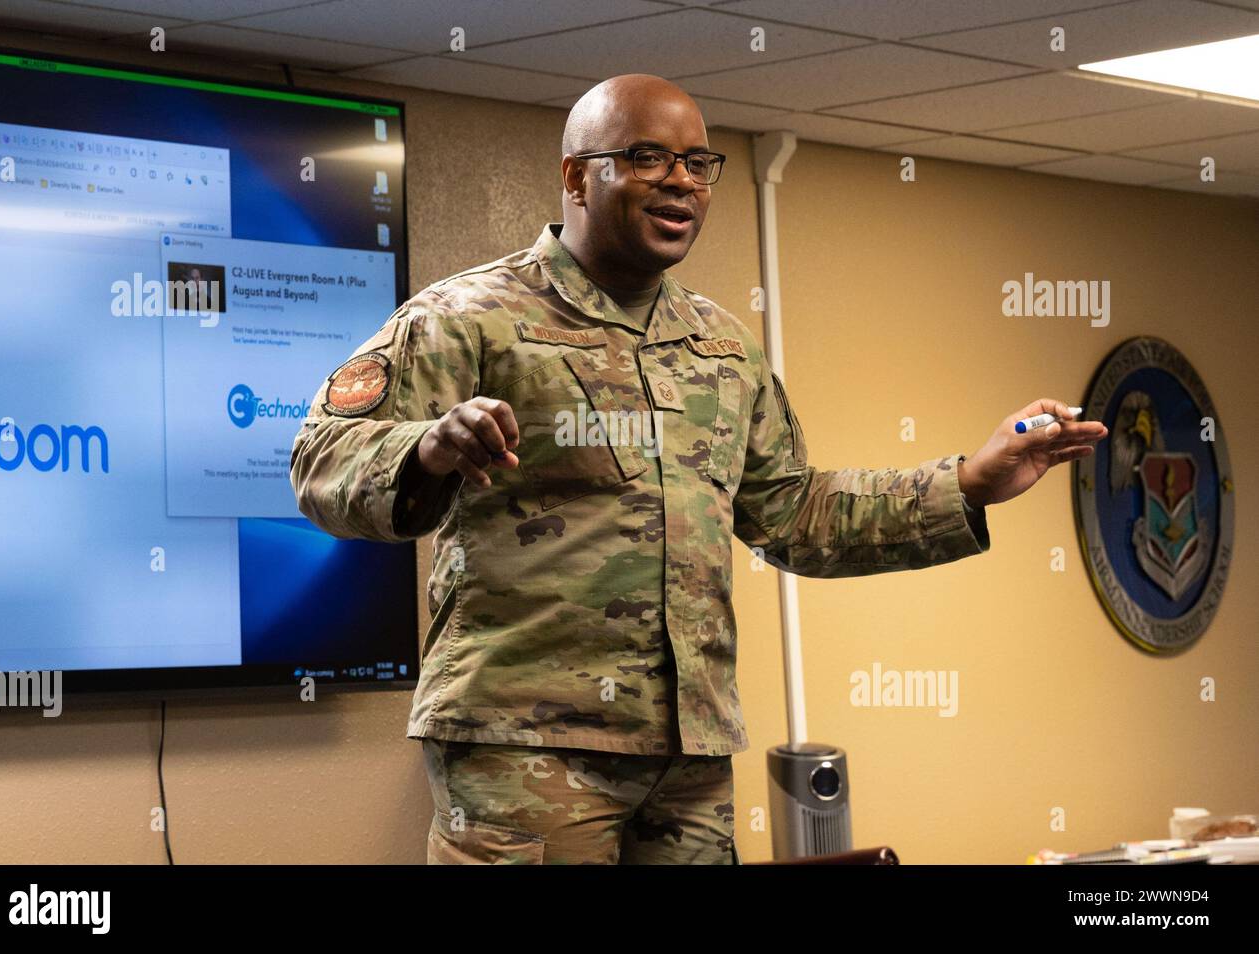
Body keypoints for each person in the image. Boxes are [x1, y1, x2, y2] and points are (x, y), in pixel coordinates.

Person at [289, 74, 1108, 865]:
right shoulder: (469, 317)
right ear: (577, 177)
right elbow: (321, 458)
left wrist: (966, 483)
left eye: (698, 164)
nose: (680, 181)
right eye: (648, 158)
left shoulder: (719, 344)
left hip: (690, 751)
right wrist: (427, 447)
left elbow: (795, 514)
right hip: (525, 745)